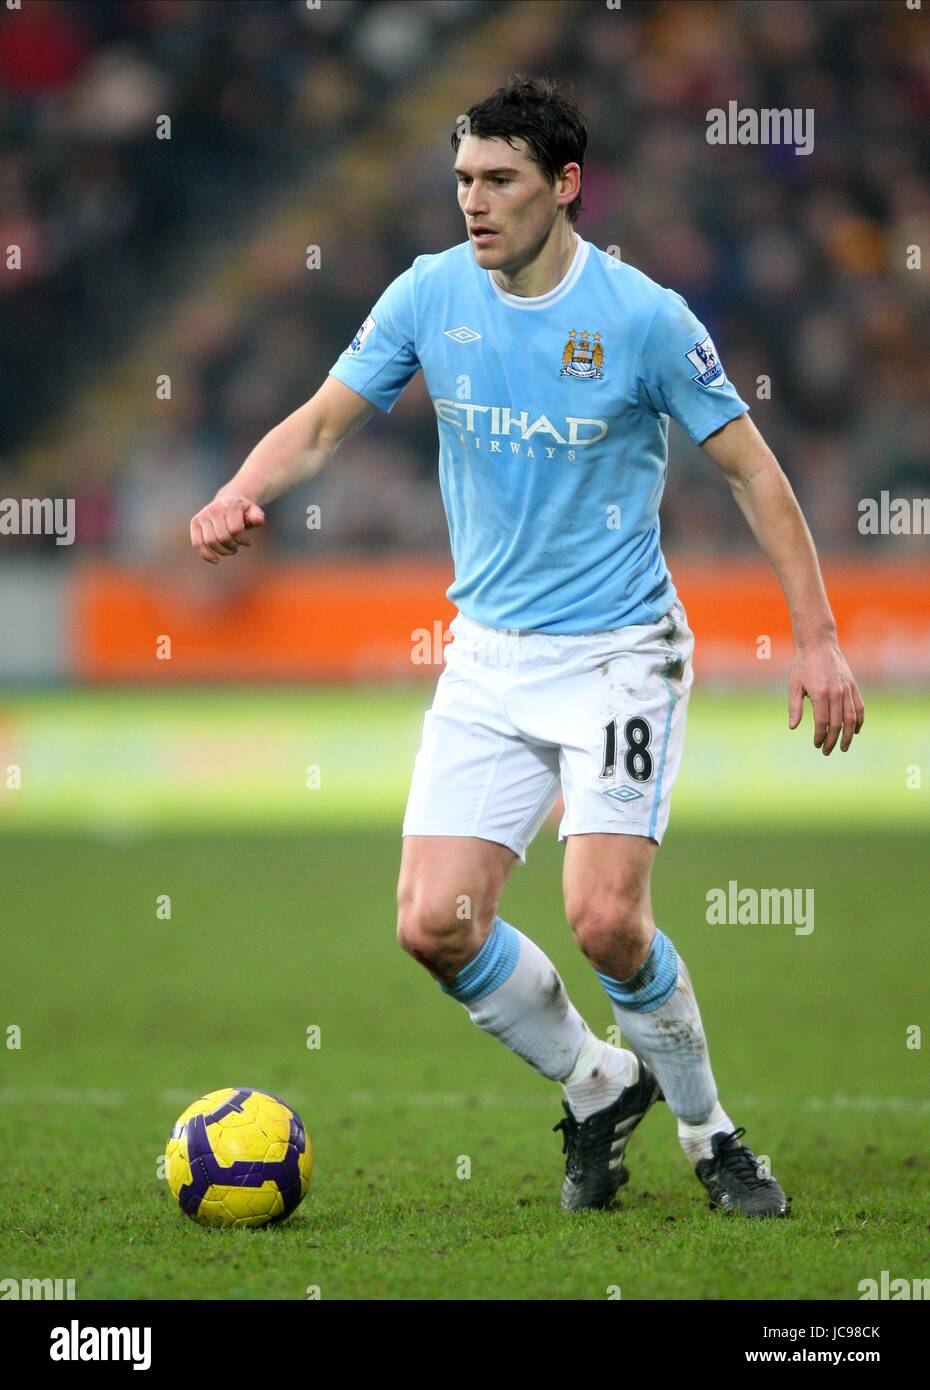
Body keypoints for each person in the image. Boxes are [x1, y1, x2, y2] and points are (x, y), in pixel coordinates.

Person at [190, 75, 864, 1217]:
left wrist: (821, 641)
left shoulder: (644, 317)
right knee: (432, 924)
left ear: (565, 186)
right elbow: (317, 422)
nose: (474, 202)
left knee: (606, 916)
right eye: (462, 179)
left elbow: (752, 468)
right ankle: (600, 1083)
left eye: (500, 180)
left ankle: (711, 1132)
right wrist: (239, 492)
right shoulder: (427, 296)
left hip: (618, 656)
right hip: (490, 659)